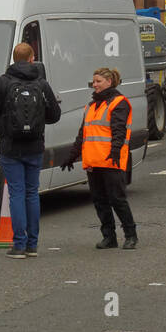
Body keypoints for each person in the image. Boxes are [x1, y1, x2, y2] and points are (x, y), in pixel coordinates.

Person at [0, 42, 62, 258]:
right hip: (35, 145)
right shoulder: (41, 83)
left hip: (10, 146)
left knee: (17, 193)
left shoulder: (2, 83)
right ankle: (33, 245)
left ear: (13, 59)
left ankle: (19, 245)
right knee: (32, 193)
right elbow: (55, 115)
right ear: (33, 58)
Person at [62, 67, 137, 249]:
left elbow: (119, 130)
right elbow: (83, 135)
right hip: (93, 162)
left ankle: (131, 235)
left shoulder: (119, 102)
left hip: (112, 160)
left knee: (117, 199)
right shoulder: (91, 106)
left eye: (98, 81)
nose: (94, 85)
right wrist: (71, 156)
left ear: (109, 82)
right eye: (93, 82)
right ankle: (109, 237)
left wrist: (115, 150)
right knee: (100, 201)